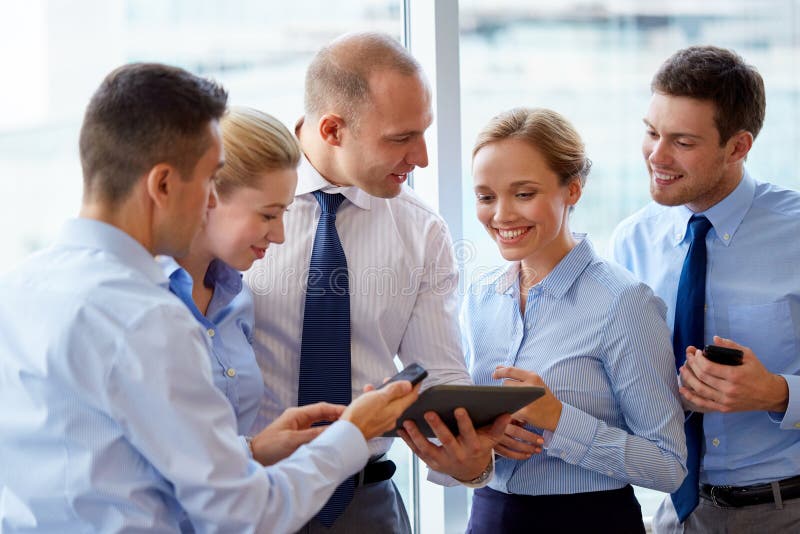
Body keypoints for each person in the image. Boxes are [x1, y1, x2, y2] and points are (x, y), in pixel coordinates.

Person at [0, 63, 419, 533]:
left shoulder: (17, 289)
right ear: (162, 185)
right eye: (208, 181)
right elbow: (245, 515)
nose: (210, 204)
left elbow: (107, 460)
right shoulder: (147, 317)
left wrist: (249, 451)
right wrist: (353, 434)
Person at [246, 32, 506, 533]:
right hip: (246, 494)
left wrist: (472, 462)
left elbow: (440, 374)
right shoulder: (230, 204)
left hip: (364, 505)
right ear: (333, 129)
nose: (423, 158)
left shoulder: (421, 230)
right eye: (401, 138)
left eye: (423, 132)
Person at [438, 107, 686, 533]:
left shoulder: (623, 303)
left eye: (523, 193)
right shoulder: (479, 298)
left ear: (572, 190)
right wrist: (484, 443)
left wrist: (557, 419)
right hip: (488, 517)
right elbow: (470, 451)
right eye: (485, 196)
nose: (501, 215)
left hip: (589, 522)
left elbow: (669, 466)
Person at [609, 45, 800, 533]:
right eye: (651, 132)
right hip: (676, 514)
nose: (657, 155)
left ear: (737, 147)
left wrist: (777, 393)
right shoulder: (632, 241)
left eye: (682, 142)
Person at [159, 106, 341, 466]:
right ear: (207, 195)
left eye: (284, 214)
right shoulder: (136, 298)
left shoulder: (237, 297)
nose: (280, 235)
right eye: (268, 215)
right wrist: (254, 451)